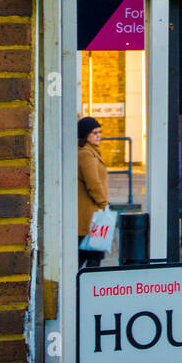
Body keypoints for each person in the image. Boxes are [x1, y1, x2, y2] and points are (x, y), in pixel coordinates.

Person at [78, 116, 108, 270]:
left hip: (91, 215)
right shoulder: (86, 154)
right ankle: (85, 290)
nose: (99, 136)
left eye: (99, 132)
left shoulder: (91, 152)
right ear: (85, 135)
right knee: (92, 257)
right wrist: (104, 203)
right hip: (89, 216)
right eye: (94, 133)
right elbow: (93, 184)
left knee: (88, 256)